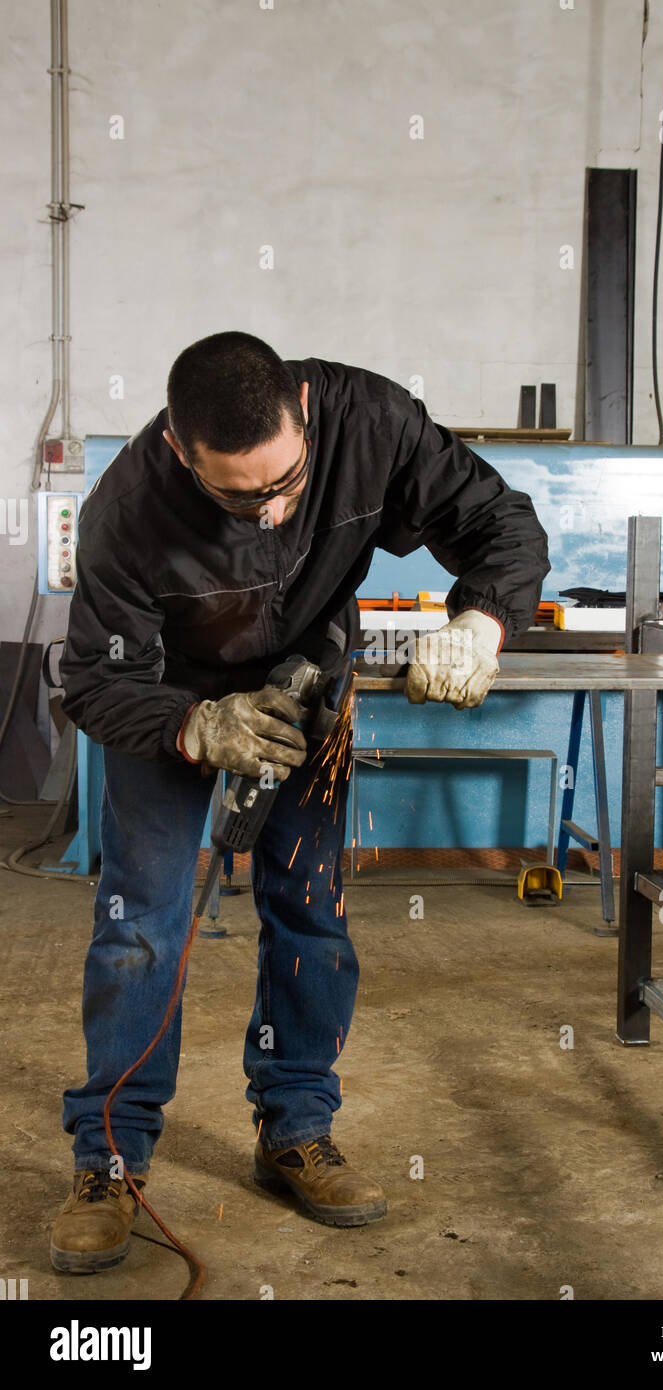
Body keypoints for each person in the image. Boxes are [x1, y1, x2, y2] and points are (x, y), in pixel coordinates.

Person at [50, 331, 551, 1273]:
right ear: (177, 452)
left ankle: (294, 1130)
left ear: (306, 416)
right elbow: (92, 680)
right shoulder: (126, 508)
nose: (275, 509)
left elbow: (504, 524)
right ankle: (109, 1157)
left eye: (288, 482)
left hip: (307, 682)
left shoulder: (373, 423)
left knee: (309, 914)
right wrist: (197, 727)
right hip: (171, 708)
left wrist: (481, 620)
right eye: (241, 496)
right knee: (139, 926)